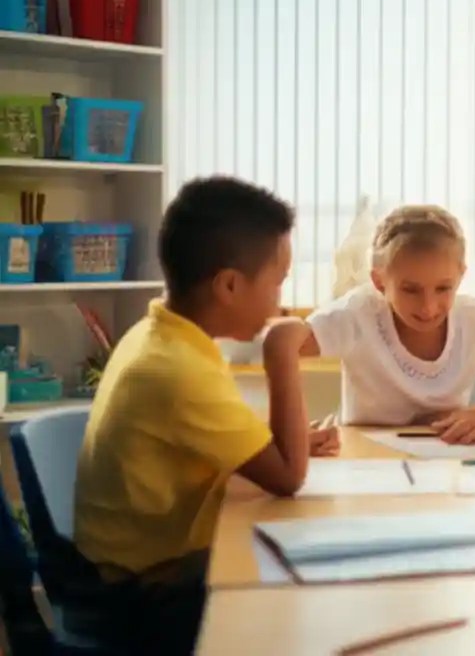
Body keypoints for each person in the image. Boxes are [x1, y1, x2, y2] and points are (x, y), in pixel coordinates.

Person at [73, 176, 334, 654]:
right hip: (139, 597)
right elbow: (288, 476)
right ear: (230, 285)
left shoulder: (160, 335)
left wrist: (275, 443)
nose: (281, 301)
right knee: (310, 605)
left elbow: (242, 445)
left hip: (123, 573)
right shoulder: (177, 369)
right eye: (277, 283)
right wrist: (281, 350)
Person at [295, 205, 475, 442]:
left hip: (444, 466)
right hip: (367, 462)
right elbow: (279, 345)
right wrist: (291, 429)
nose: (428, 307)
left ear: (461, 276)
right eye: (410, 290)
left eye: (443, 288)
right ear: (379, 282)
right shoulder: (357, 313)